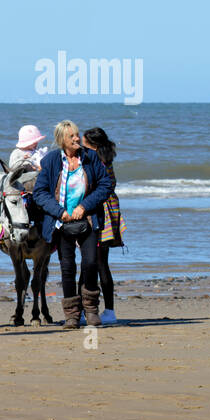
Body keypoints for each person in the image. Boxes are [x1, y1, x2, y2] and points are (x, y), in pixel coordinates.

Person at [32, 120, 113, 330]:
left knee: (91, 264)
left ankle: (92, 310)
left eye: (77, 135)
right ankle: (72, 315)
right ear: (62, 140)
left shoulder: (91, 157)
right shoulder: (51, 160)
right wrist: (61, 212)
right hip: (61, 224)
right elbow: (40, 192)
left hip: (88, 219)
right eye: (72, 136)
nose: (77, 139)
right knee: (67, 268)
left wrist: (84, 206)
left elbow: (106, 184)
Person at [82, 126, 122, 325]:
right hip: (110, 209)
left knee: (90, 262)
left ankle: (88, 311)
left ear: (92, 144)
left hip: (98, 211)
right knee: (101, 263)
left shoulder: (94, 159)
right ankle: (109, 311)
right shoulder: (107, 157)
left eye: (83, 142)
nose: (80, 144)